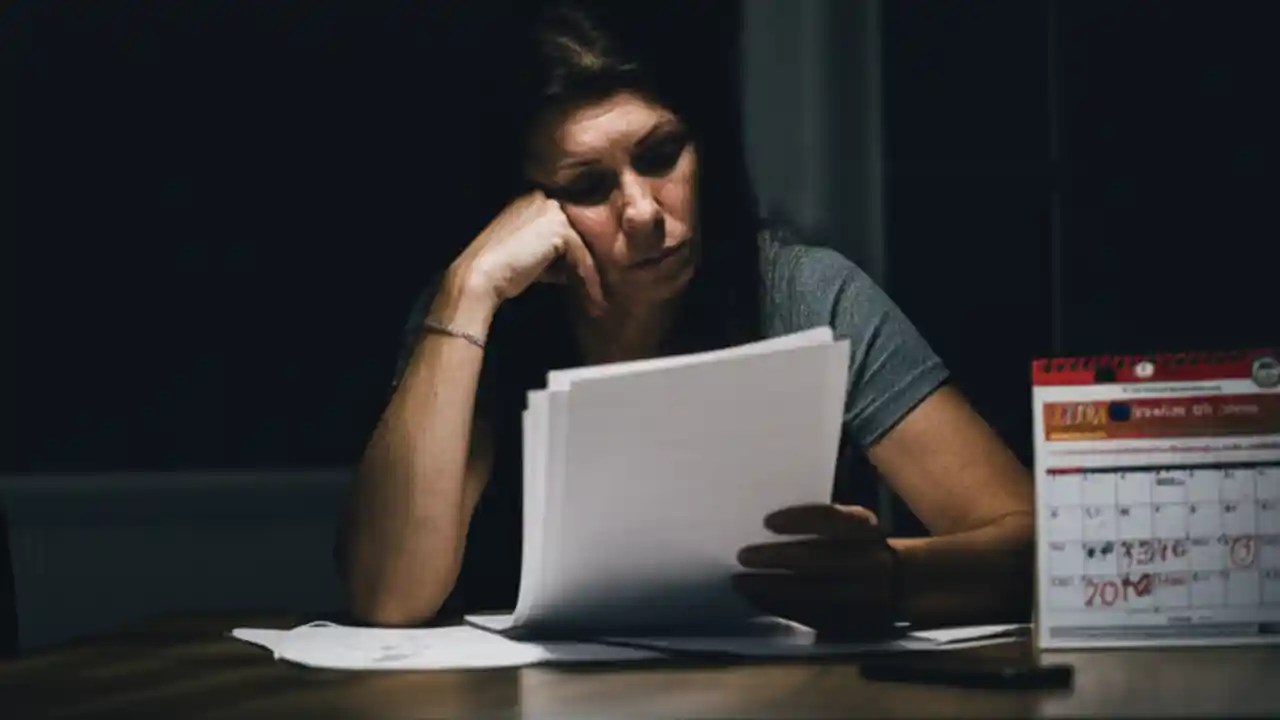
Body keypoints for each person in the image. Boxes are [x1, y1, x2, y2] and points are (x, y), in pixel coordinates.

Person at [339, 0, 1033, 635]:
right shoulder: (477, 317)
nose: (642, 212)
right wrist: (468, 290)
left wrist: (895, 577)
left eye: (661, 154)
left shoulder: (803, 293)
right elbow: (390, 597)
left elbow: (1033, 543)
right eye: (588, 186)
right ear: (528, 208)